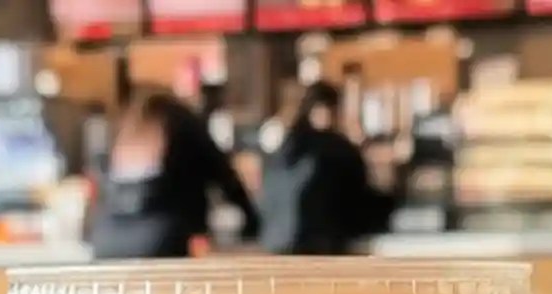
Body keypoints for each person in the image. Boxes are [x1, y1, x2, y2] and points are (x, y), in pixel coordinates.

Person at [91, 87, 260, 259]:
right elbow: (225, 176)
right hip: (164, 242)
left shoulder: (127, 129)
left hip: (106, 241)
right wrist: (252, 222)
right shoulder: (184, 124)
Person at [259, 82, 394, 255]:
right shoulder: (337, 149)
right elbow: (360, 201)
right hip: (320, 245)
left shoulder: (284, 147)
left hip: (276, 242)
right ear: (334, 110)